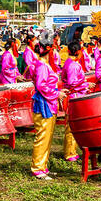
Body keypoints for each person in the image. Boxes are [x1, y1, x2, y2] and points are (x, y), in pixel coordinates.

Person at [28, 41, 61, 180]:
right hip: (43, 104)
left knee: (47, 137)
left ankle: (42, 166)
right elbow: (41, 86)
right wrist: (57, 94)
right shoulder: (41, 65)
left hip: (50, 102)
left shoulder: (45, 64)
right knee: (42, 136)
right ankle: (37, 168)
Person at [59, 37, 90, 163]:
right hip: (73, 96)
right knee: (71, 126)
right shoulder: (72, 65)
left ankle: (72, 150)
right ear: (78, 52)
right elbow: (72, 83)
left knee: (73, 126)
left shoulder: (69, 62)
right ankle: (69, 153)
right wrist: (85, 85)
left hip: (75, 95)